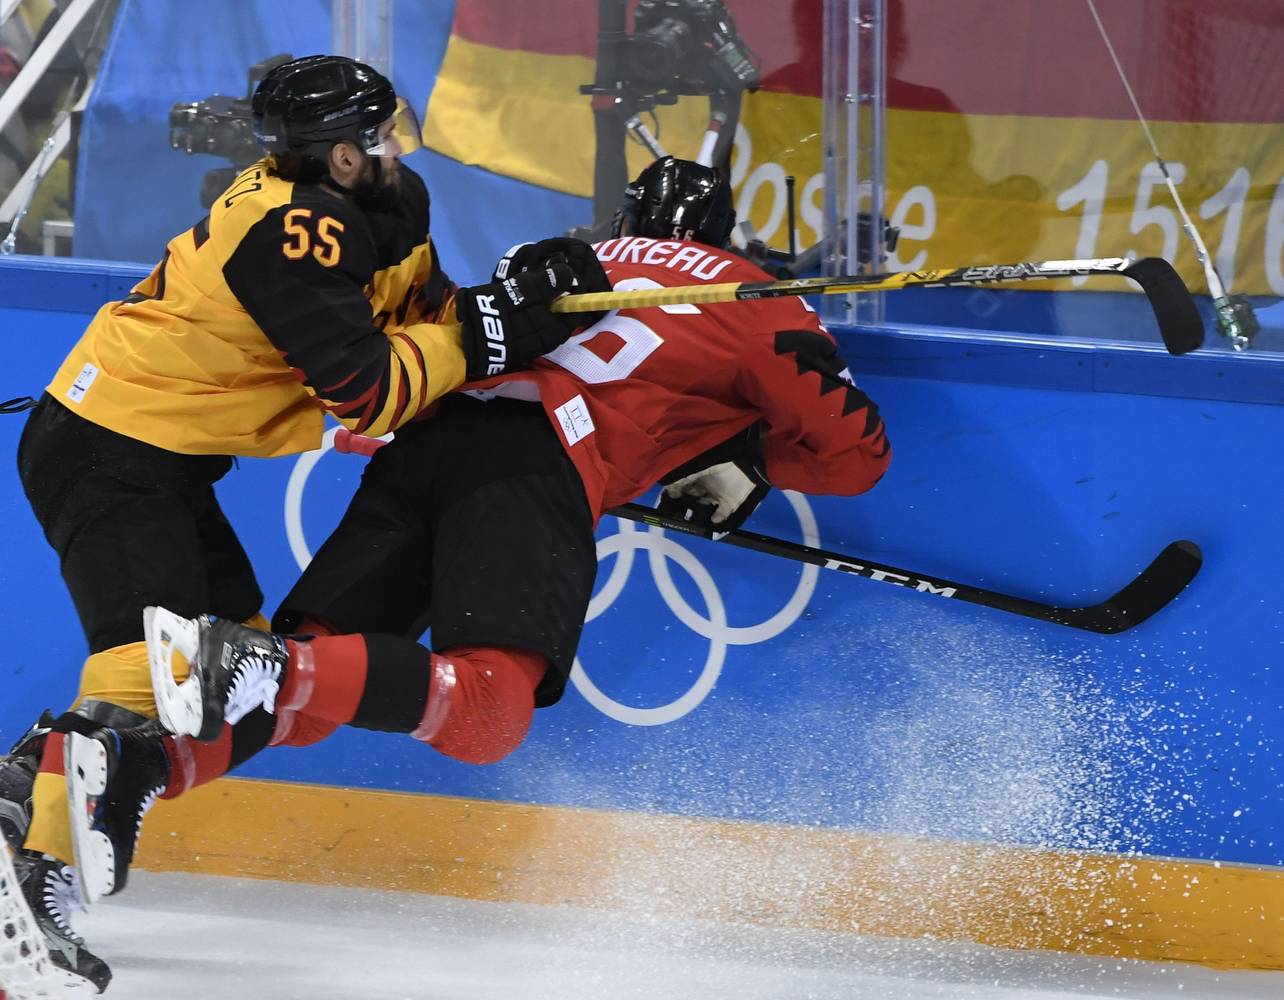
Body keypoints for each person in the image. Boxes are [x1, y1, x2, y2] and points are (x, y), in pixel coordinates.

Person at [71, 158, 892, 946]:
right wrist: (747, 450)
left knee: (304, 706)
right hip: (536, 466)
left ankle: (103, 770)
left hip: (428, 441)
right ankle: (256, 663)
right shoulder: (755, 295)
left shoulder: (563, 256)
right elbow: (856, 456)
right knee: (487, 713)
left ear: (627, 220)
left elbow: (463, 323)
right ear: (727, 233)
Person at [0, 53, 601, 994]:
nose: (396, 141)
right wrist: (488, 334)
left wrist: (511, 299)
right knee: (148, 664)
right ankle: (24, 900)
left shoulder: (384, 200)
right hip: (106, 451)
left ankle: (16, 799)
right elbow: (370, 391)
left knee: (225, 668)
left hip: (157, 458)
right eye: (378, 133)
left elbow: (422, 313)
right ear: (342, 159)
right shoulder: (288, 231)